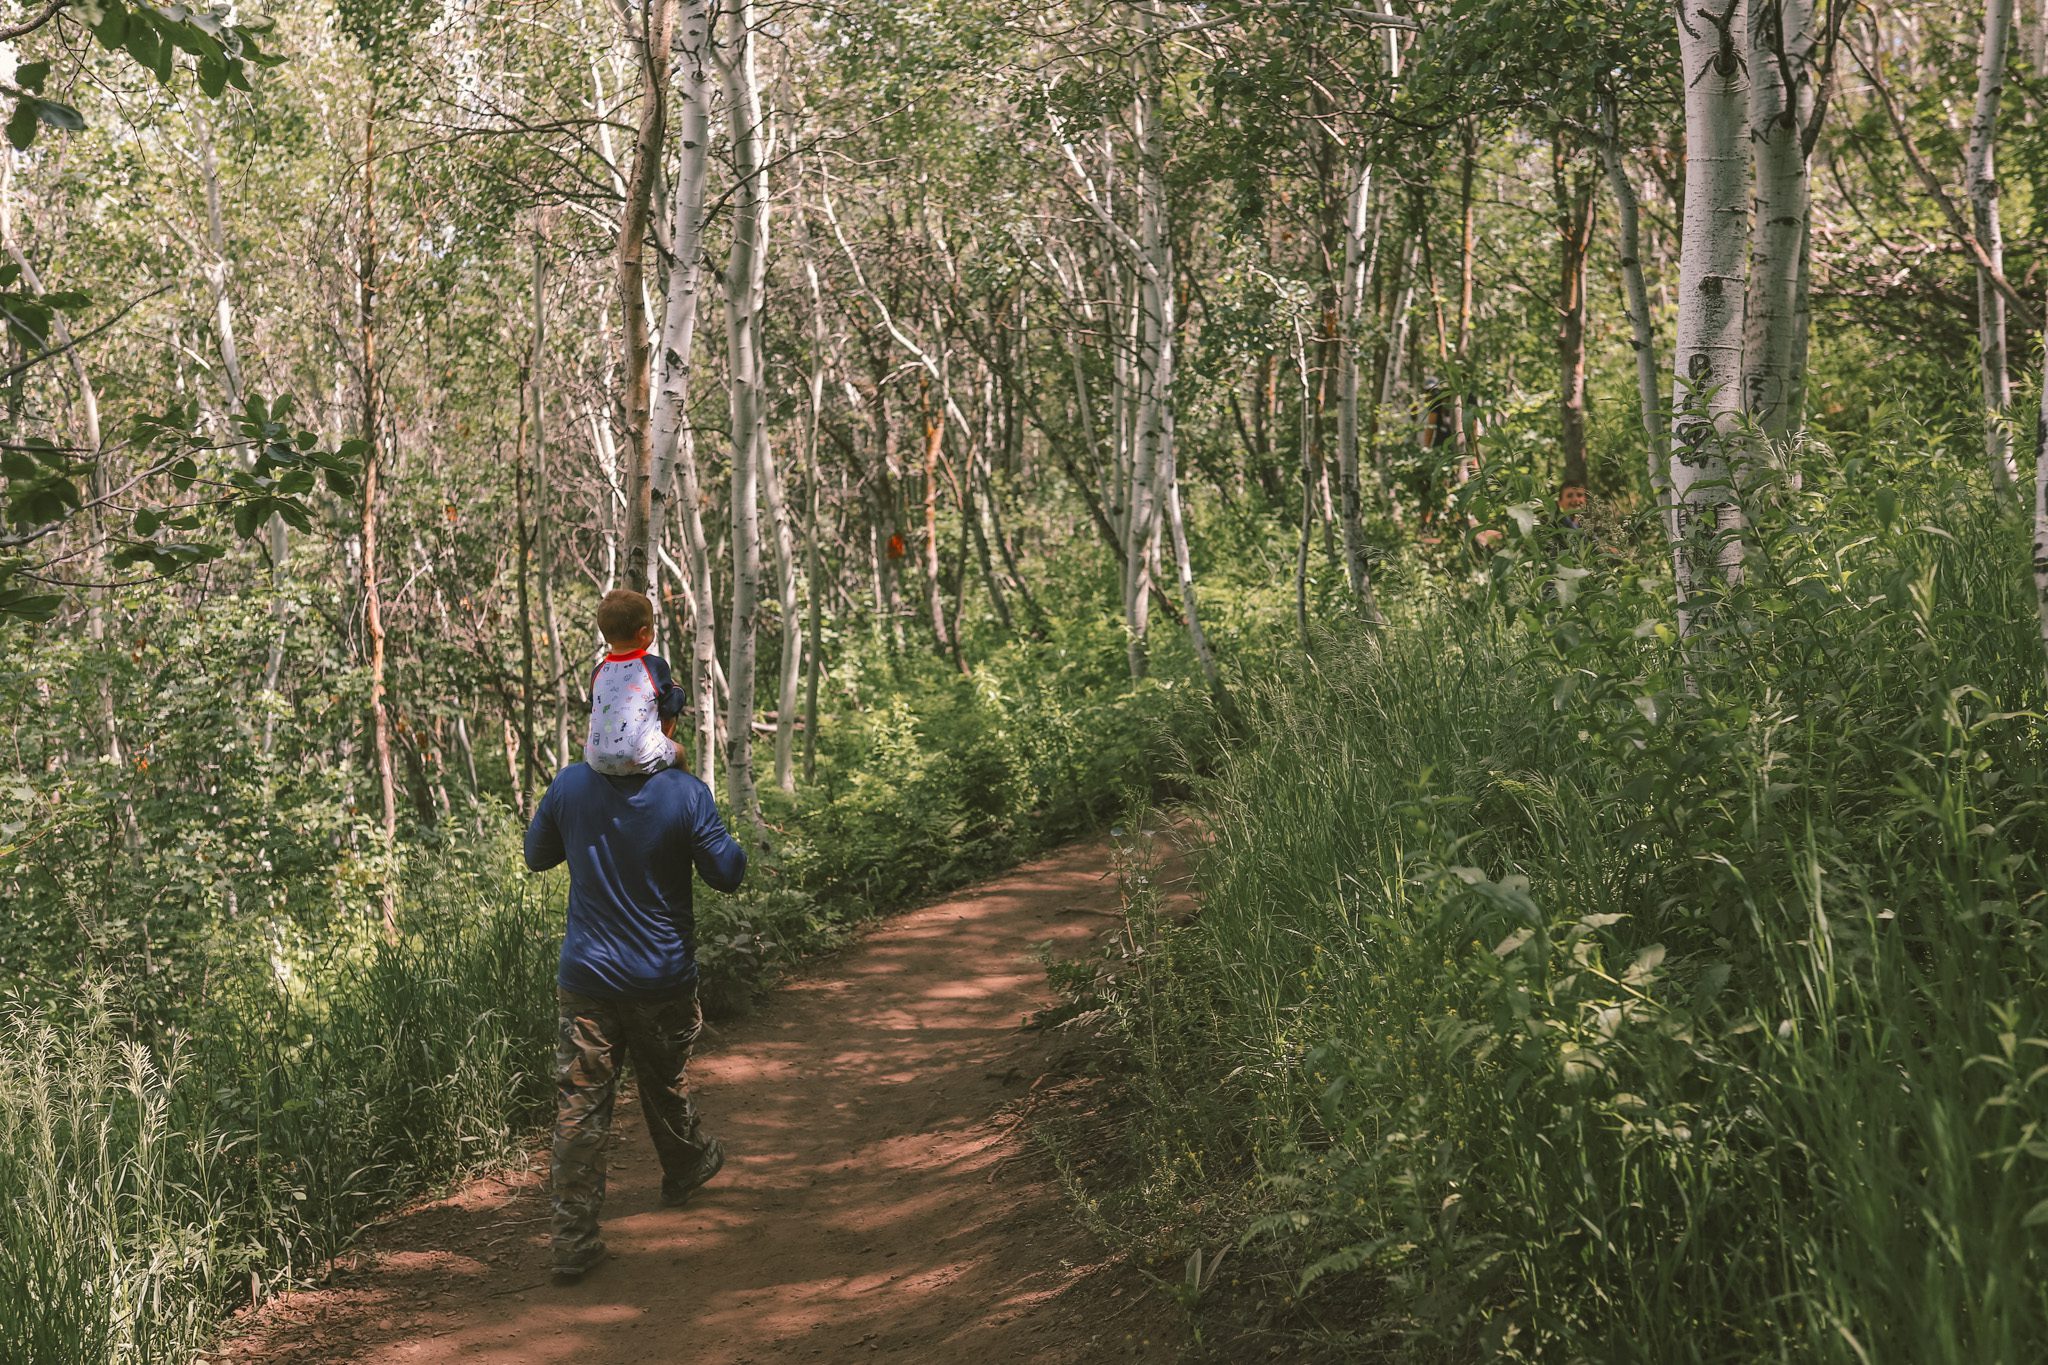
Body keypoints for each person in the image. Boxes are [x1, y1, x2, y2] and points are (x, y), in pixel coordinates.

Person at [523, 712, 747, 1282]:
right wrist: (697, 799)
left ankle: (572, 1238)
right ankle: (686, 1163)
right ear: (662, 721)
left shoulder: (571, 785)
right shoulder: (684, 793)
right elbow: (728, 873)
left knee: (580, 1105)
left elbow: (536, 854)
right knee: (662, 1079)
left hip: (587, 982)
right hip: (660, 979)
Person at [584, 588, 688, 776]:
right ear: (643, 633)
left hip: (596, 759)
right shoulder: (654, 666)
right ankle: (686, 791)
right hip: (640, 757)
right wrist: (679, 691)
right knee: (680, 752)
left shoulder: (598, 671)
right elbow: (672, 705)